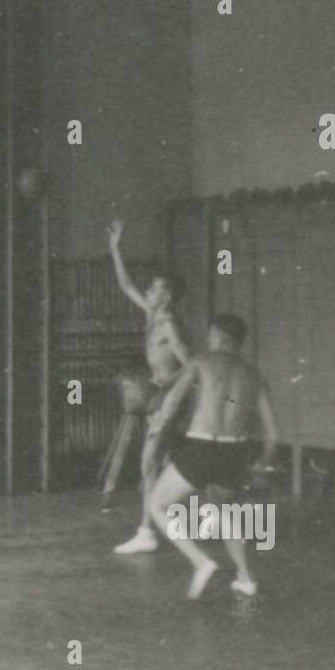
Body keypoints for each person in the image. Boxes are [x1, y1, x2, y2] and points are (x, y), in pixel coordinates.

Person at [145, 313, 280, 600]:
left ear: (218, 335)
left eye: (210, 335)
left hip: (202, 447)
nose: (208, 340)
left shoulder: (201, 362)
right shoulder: (254, 373)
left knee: (157, 504)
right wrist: (263, 462)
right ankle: (246, 578)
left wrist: (156, 435)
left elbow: (170, 403)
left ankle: (201, 562)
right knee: (225, 512)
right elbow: (273, 434)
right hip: (236, 451)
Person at [105, 219, 191, 552]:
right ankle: (164, 521)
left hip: (168, 396)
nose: (148, 292)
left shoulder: (169, 324)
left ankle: (147, 532)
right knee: (162, 461)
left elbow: (191, 364)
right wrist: (115, 248)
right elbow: (126, 285)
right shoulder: (152, 313)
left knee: (148, 462)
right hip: (159, 393)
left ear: (167, 296)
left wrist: (165, 383)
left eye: (154, 289)